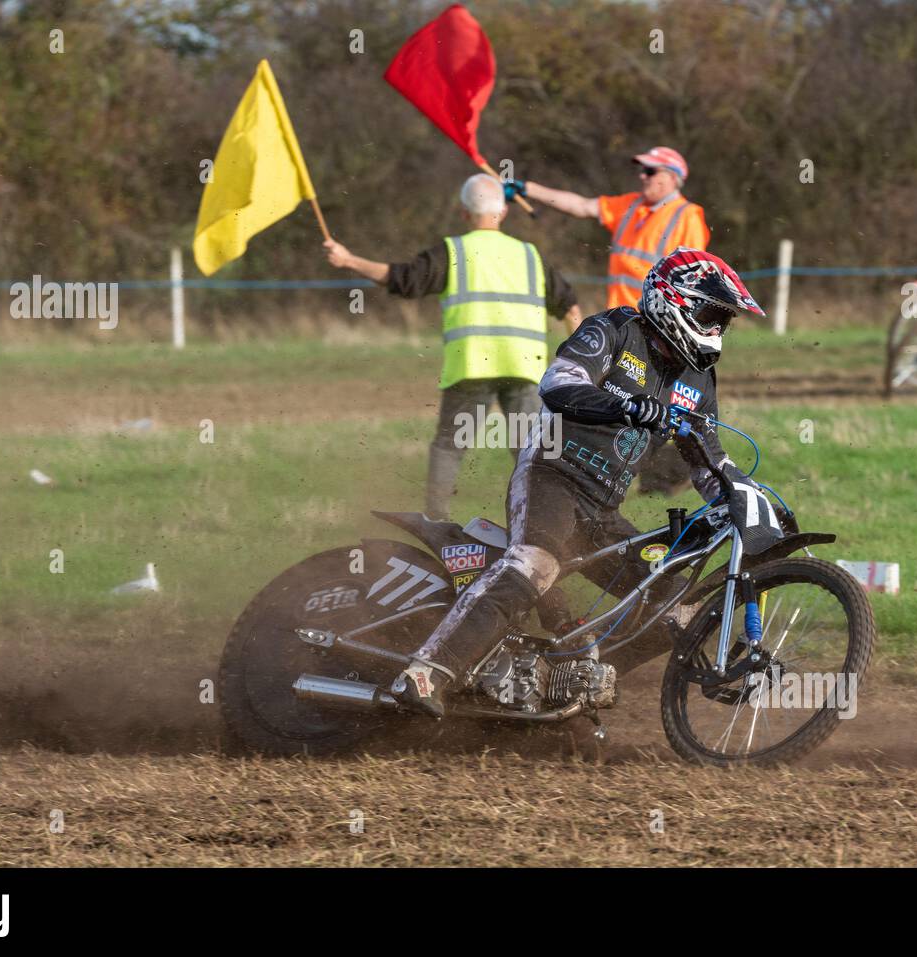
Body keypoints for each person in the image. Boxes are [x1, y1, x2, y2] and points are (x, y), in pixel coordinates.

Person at [390, 248, 774, 718]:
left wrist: (742, 496)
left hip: (603, 507)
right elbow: (557, 382)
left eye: (723, 320)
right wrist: (624, 406)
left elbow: (706, 460)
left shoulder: (698, 378)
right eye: (710, 313)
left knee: (672, 601)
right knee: (535, 563)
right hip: (551, 475)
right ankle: (426, 672)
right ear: (673, 301)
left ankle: (570, 684)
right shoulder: (613, 330)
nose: (716, 328)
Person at [325, 174, 582, 520]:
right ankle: (546, 520)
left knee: (450, 445)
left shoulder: (452, 252)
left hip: (472, 367)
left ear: (464, 213)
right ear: (504, 211)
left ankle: (435, 519)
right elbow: (570, 308)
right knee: (530, 450)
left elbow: (400, 278)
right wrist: (578, 370)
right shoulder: (530, 255)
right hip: (524, 368)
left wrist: (349, 260)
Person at [505, 147, 713, 495]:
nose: (642, 176)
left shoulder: (688, 216)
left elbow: (695, 275)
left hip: (659, 334)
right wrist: (527, 188)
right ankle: (571, 478)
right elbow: (583, 206)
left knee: (656, 413)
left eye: (650, 171)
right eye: (641, 170)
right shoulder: (630, 205)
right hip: (623, 327)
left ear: (673, 177)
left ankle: (644, 482)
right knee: (603, 405)